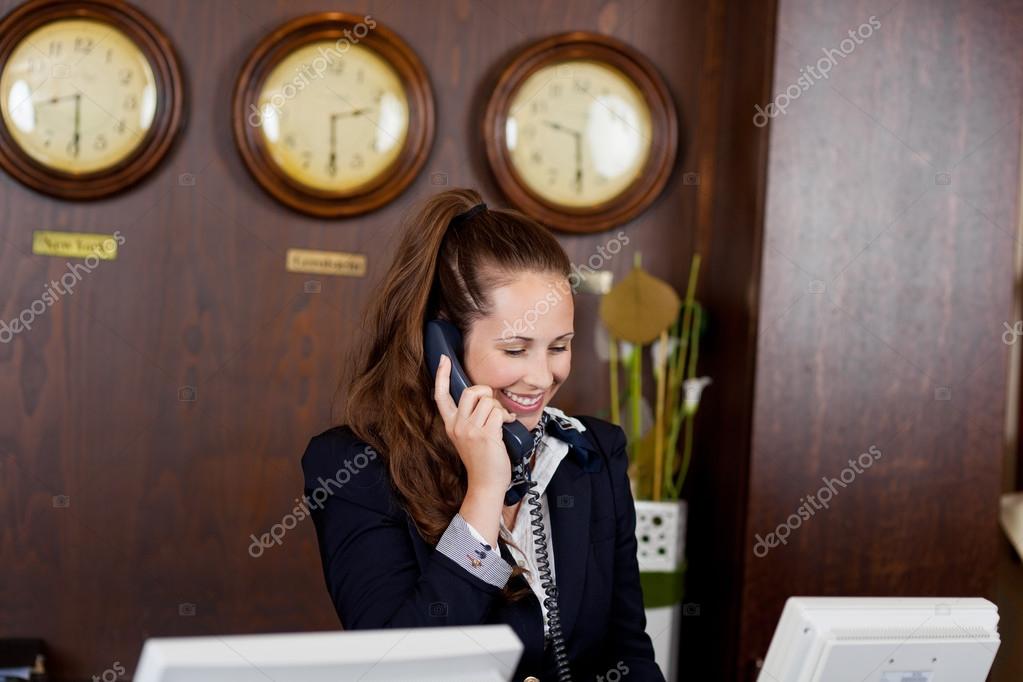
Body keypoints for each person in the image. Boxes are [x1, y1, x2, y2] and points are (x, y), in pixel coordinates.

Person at [300, 188, 663, 681]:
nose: (541, 376)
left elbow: (630, 656)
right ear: (442, 347)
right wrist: (486, 493)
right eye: (515, 350)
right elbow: (396, 670)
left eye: (559, 346)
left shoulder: (593, 453)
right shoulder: (354, 469)